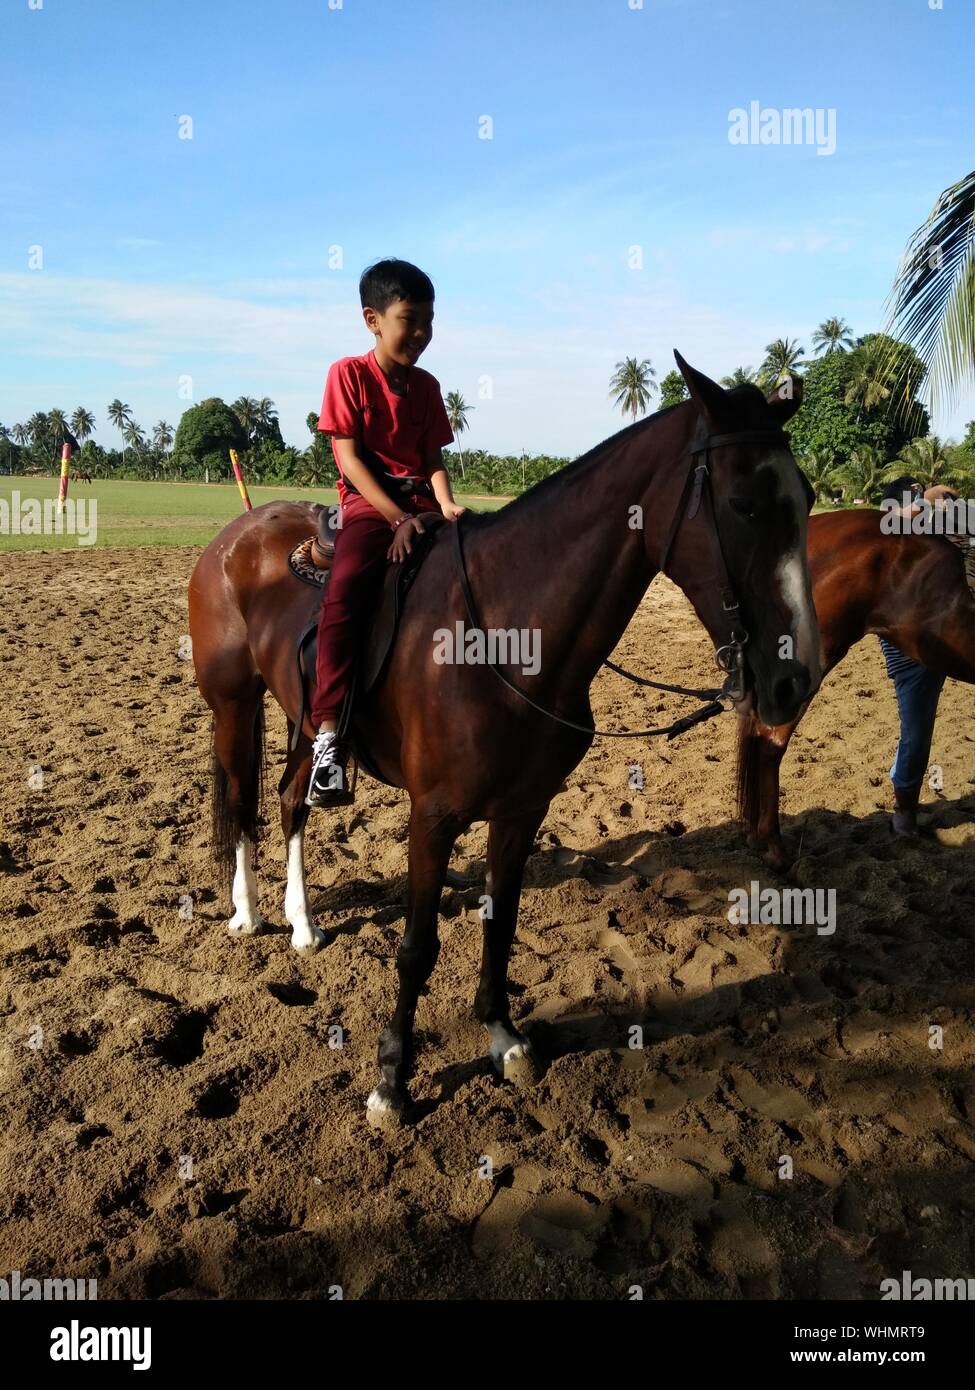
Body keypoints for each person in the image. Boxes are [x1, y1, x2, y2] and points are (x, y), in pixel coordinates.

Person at [305, 258, 466, 807]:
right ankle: (328, 735)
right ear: (373, 319)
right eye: (409, 320)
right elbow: (348, 459)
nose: (421, 334)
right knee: (346, 592)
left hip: (422, 502)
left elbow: (432, 456)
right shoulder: (347, 375)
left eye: (428, 321)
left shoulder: (427, 386)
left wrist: (444, 506)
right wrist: (397, 519)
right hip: (371, 507)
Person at [877, 477, 955, 836]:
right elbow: (892, 519)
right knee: (917, 729)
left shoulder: (938, 540)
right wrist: (927, 500)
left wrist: (944, 502)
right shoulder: (889, 538)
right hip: (908, 646)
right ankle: (904, 808)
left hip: (943, 634)